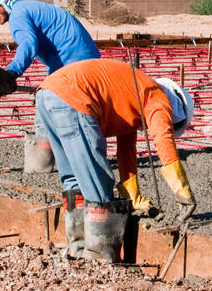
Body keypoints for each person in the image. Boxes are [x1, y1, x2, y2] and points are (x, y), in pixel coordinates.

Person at [35, 58, 197, 262]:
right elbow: (163, 140)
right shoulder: (157, 97)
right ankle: (100, 257)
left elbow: (126, 152)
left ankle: (77, 248)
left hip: (47, 92)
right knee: (98, 182)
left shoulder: (134, 94)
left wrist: (134, 197)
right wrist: (183, 194)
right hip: (73, 96)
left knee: (74, 179)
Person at [0, 0, 100, 170]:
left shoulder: (18, 14)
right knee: (66, 106)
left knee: (45, 103)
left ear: (0, 1)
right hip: (75, 59)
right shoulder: (27, 8)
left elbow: (28, 44)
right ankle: (74, 158)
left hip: (73, 61)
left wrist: (12, 72)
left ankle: (41, 165)